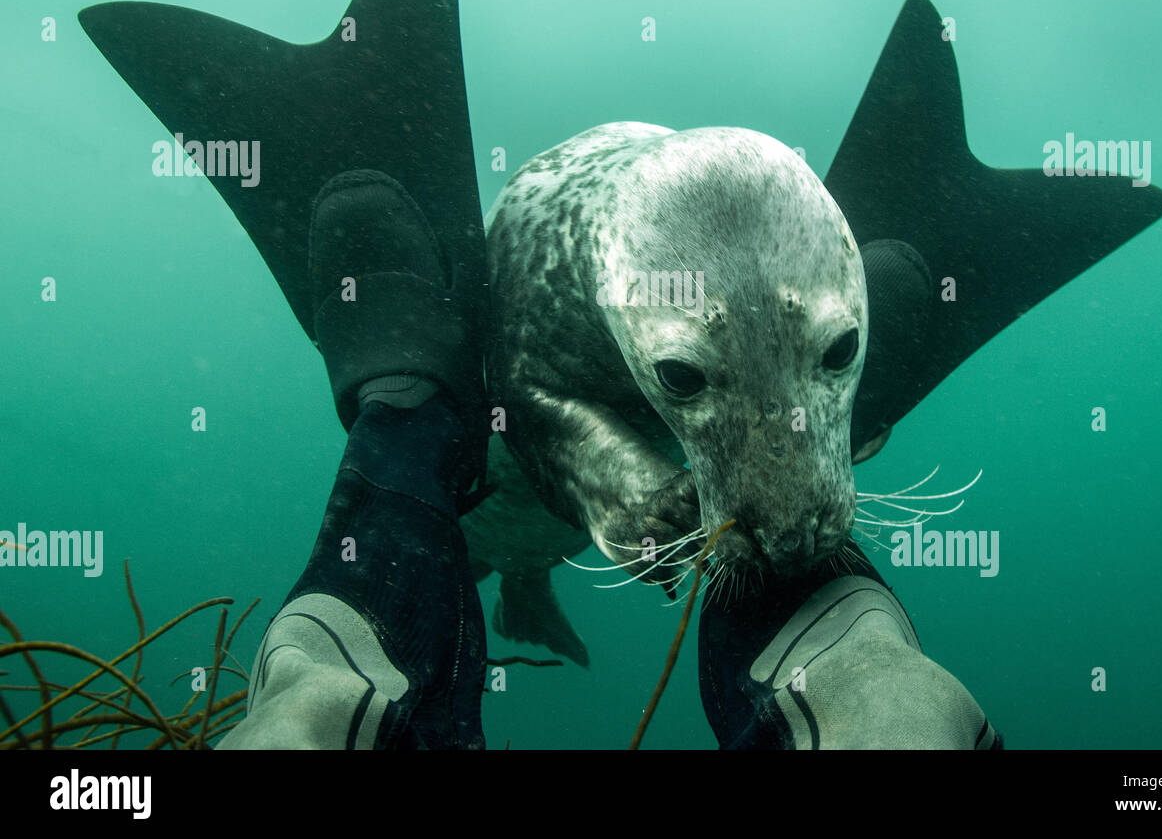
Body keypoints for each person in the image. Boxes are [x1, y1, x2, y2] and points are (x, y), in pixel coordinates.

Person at [217, 170, 1001, 751]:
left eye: (840, 349)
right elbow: (532, 396)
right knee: (882, 701)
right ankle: (860, 690)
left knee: (316, 710)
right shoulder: (555, 237)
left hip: (482, 527)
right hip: (497, 498)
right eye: (683, 372)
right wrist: (624, 495)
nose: (796, 522)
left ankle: (405, 420)